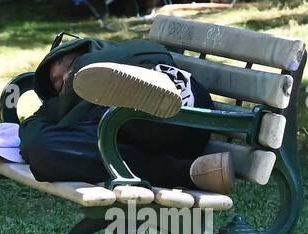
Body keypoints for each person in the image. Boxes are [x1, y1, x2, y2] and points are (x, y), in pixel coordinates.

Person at [18, 33, 235, 193]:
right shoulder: (78, 113)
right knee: (45, 150)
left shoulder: (129, 50)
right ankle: (188, 171)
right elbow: (35, 139)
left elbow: (157, 54)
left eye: (70, 65)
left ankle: (149, 101)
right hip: (136, 138)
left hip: (186, 103)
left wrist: (45, 119)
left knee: (123, 112)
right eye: (58, 84)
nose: (66, 77)